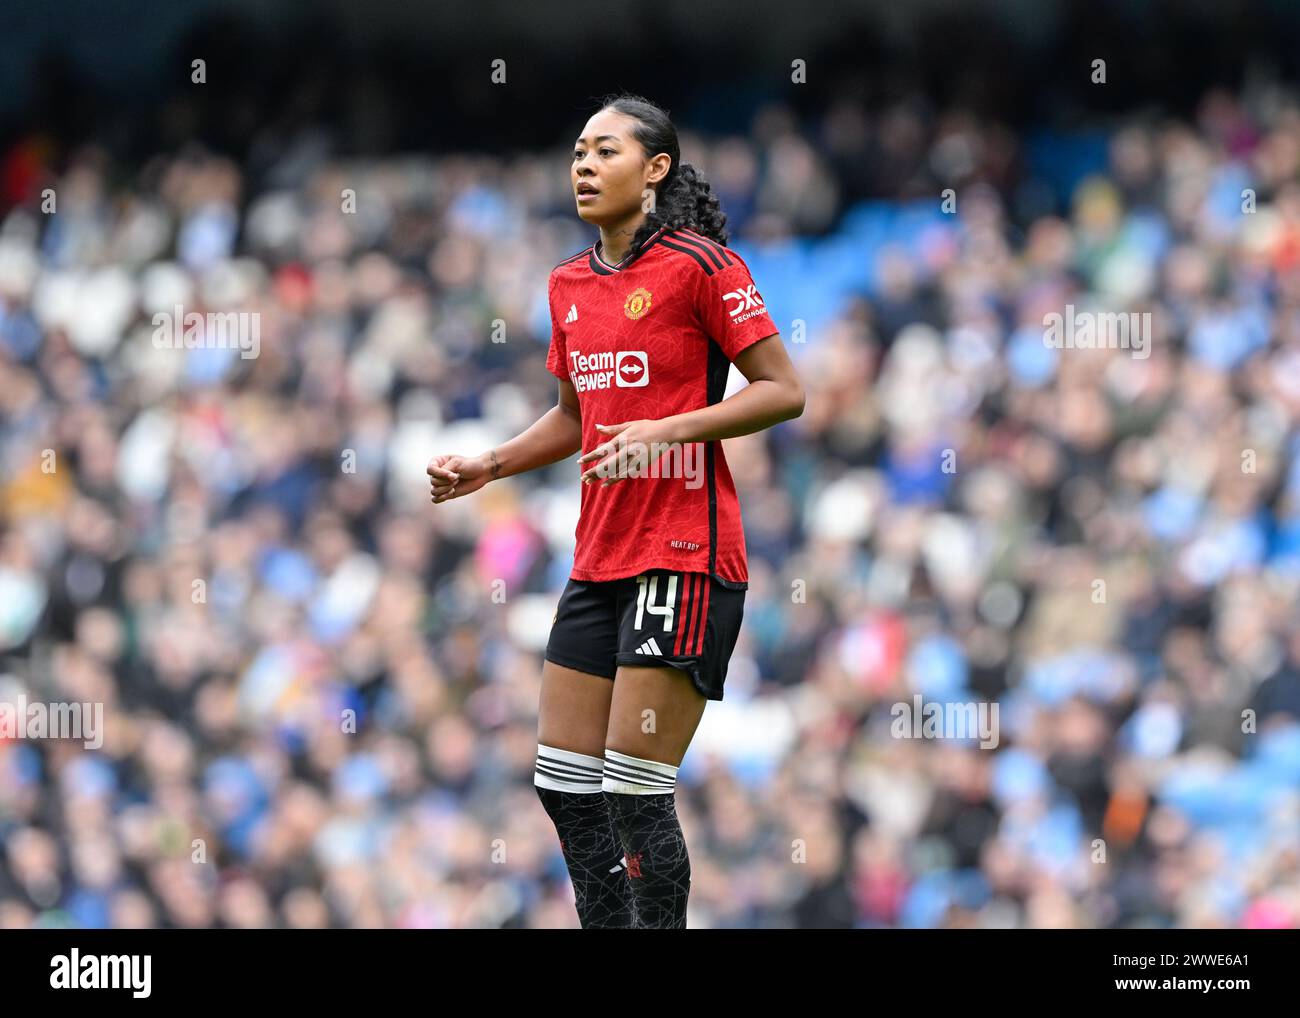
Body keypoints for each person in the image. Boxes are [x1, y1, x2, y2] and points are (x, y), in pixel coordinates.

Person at [426, 93, 805, 928]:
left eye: (604, 151)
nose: (585, 167)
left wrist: (664, 430)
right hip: (599, 560)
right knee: (563, 787)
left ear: (655, 169)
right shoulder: (567, 284)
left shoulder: (703, 267)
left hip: (684, 553)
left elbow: (785, 391)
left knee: (635, 794)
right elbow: (573, 416)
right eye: (576, 155)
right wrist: (490, 463)